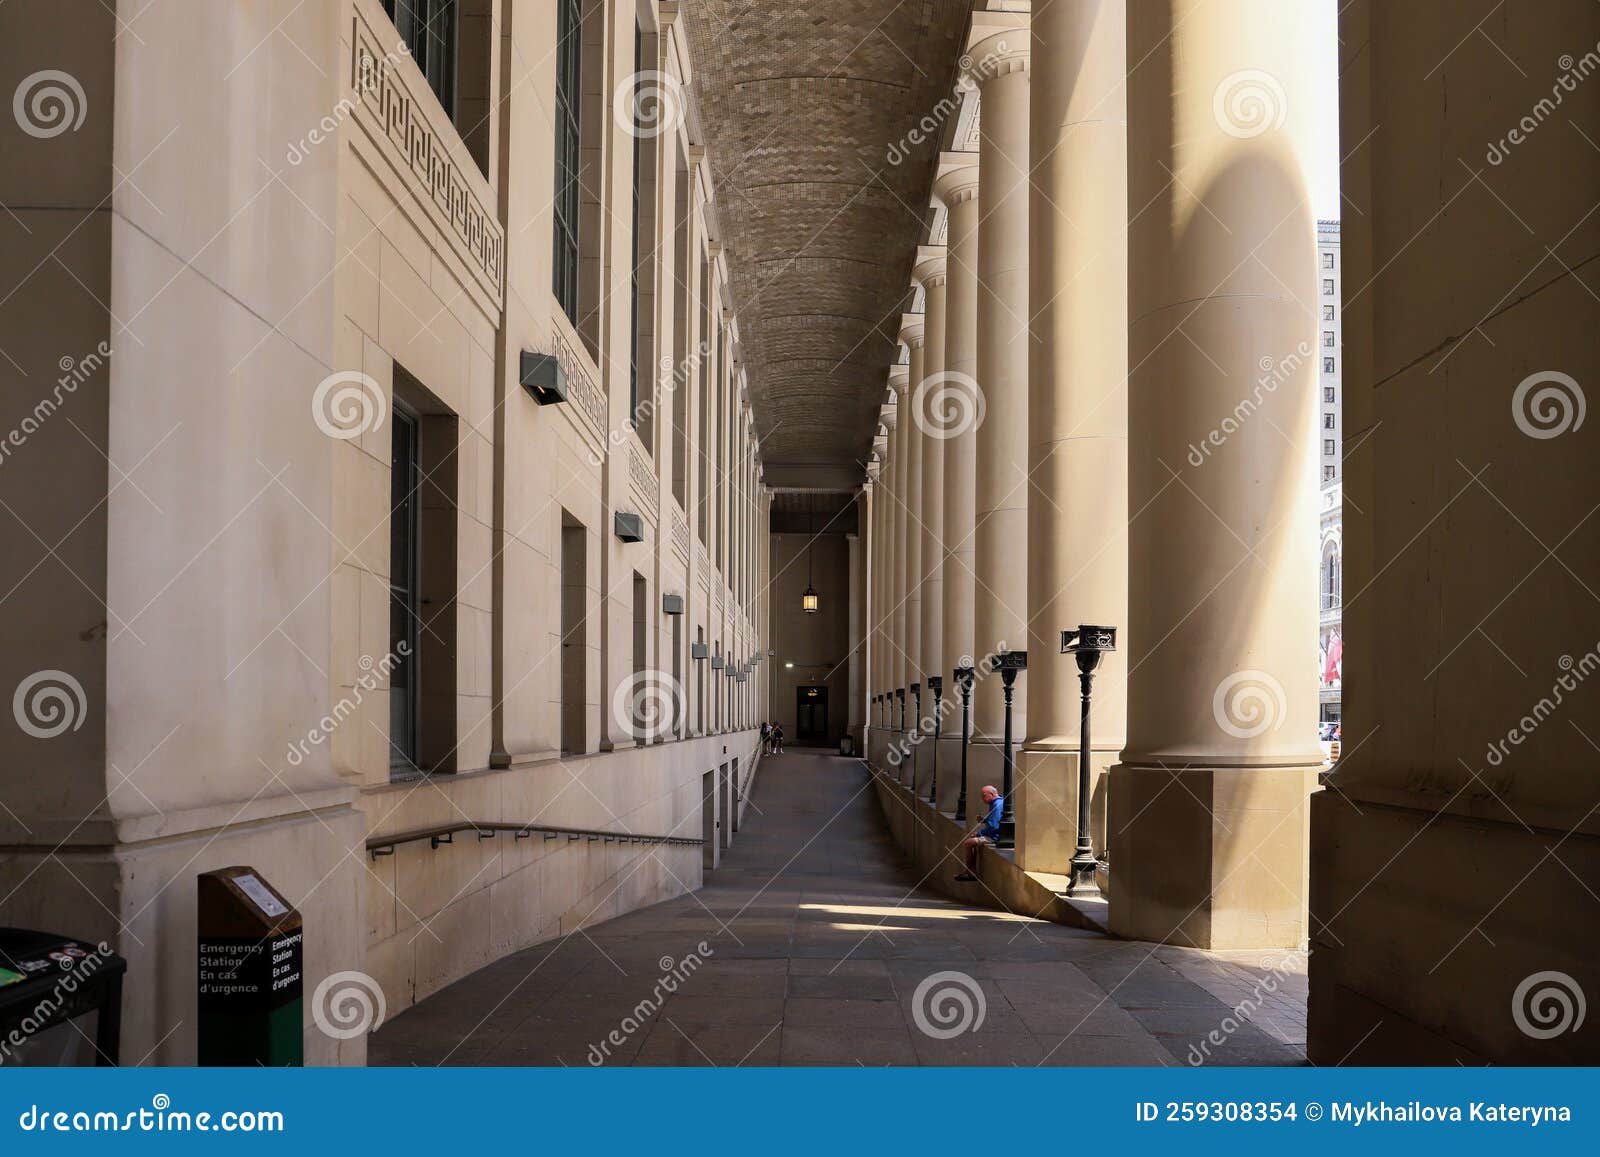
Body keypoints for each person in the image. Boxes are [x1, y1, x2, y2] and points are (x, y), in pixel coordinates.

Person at [954, 785, 1002, 882]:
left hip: (995, 837)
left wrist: (979, 833)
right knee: (973, 843)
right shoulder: (998, 802)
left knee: (968, 843)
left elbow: (994, 827)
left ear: (992, 794)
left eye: (984, 796)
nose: (982, 798)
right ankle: (972, 871)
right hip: (995, 834)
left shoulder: (996, 805)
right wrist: (985, 820)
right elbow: (996, 821)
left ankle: (970, 872)